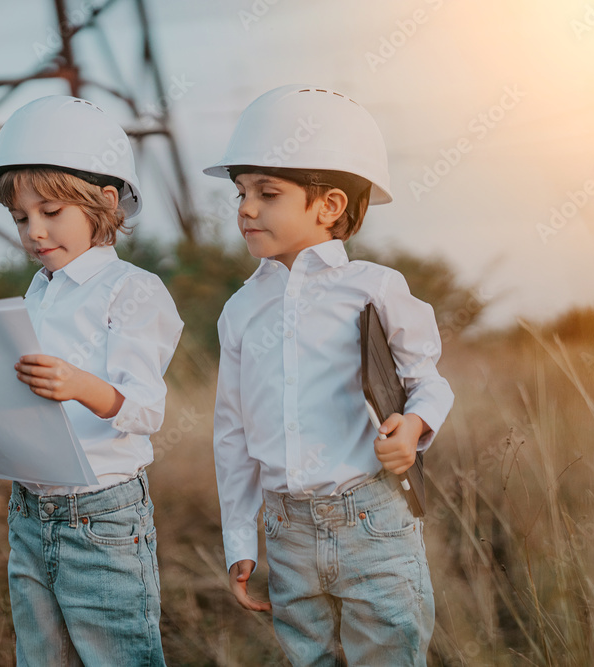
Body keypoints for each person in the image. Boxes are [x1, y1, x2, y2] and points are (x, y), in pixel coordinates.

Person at [204, 85, 455, 665]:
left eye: (268, 194)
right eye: (241, 193)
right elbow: (231, 434)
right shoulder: (240, 310)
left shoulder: (374, 287)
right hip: (287, 530)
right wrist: (242, 539)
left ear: (330, 206)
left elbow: (429, 381)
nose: (245, 208)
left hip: (372, 520)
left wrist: (415, 427)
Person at [0, 95, 182, 666]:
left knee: (120, 657)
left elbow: (146, 411)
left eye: (50, 212)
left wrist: (78, 384)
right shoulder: (38, 292)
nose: (34, 231)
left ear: (105, 202)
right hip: (30, 510)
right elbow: (23, 406)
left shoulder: (133, 289)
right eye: (21, 217)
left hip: (103, 516)